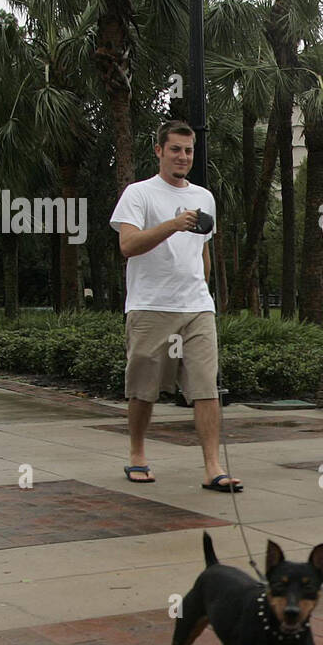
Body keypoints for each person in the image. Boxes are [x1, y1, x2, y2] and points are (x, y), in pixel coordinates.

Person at [109, 120, 242, 492]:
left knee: (206, 388)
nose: (183, 157)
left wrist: (203, 288)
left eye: (188, 150)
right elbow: (128, 246)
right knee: (143, 387)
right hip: (150, 304)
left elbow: (203, 252)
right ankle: (137, 453)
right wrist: (172, 224)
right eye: (175, 150)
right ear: (159, 151)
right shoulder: (139, 194)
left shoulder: (204, 196)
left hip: (197, 306)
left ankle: (213, 467)